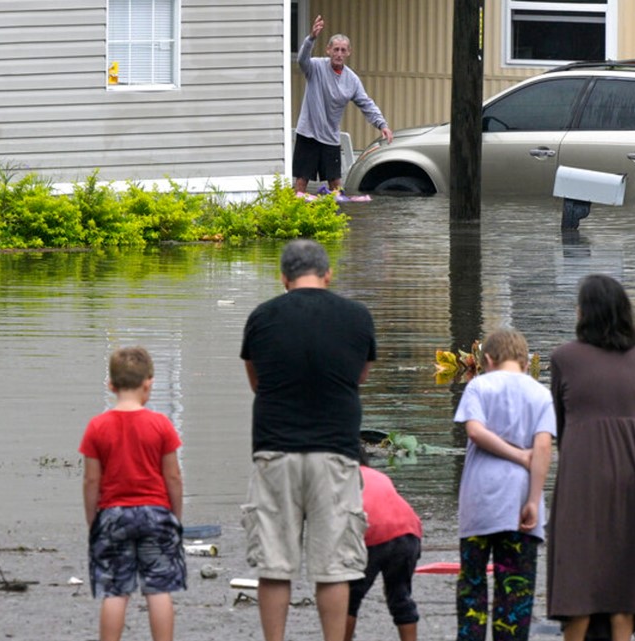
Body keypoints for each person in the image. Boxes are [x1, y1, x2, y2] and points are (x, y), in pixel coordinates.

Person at [239, 238, 377, 641]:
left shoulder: (261, 318)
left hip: (274, 449)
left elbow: (256, 382)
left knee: (274, 564)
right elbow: (360, 377)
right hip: (335, 451)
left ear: (284, 278)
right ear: (328, 273)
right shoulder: (356, 317)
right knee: (334, 566)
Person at [546, 274, 635, 641]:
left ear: (587, 312)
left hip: (582, 468)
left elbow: (559, 421)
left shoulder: (564, 357)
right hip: (634, 468)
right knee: (624, 580)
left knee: (578, 576)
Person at [452, 328, 556, 641]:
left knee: (472, 586)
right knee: (516, 590)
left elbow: (474, 431)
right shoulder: (540, 394)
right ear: (526, 364)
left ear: (487, 360)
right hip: (521, 501)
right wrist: (533, 501)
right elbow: (543, 449)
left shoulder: (478, 386)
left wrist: (514, 454)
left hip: (478, 504)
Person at [80, 346, 185, 641]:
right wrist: (175, 516)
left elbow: (91, 481)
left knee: (115, 590)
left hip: (113, 515)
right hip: (156, 513)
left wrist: (94, 521)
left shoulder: (97, 427)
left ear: (110, 385)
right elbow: (173, 476)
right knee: (158, 588)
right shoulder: (161, 425)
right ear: (149, 383)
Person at [294, 15, 393, 194]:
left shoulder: (352, 80)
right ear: (328, 50)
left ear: (348, 53)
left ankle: (337, 218)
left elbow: (366, 104)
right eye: (336, 49)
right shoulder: (315, 67)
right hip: (308, 133)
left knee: (336, 184)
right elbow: (301, 60)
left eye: (343, 50)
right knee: (301, 181)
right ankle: (292, 217)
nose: (339, 54)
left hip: (330, 137)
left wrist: (382, 125)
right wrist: (311, 38)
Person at [344, 450, 423, 641]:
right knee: (400, 595)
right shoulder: (379, 476)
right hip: (409, 532)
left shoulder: (341, 478)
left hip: (373, 533)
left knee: (348, 599)